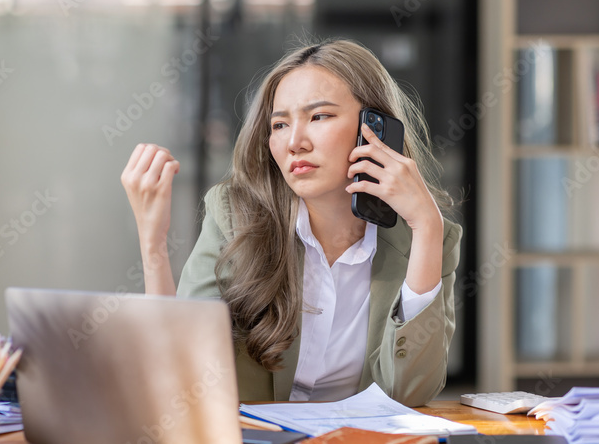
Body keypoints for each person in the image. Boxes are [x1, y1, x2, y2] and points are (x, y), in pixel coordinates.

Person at [120, 39, 461, 406]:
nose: (295, 142)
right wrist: (153, 242)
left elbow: (410, 392)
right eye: (279, 124)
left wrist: (427, 225)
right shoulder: (236, 216)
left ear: (374, 129)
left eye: (319, 117)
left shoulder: (422, 239)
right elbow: (179, 374)